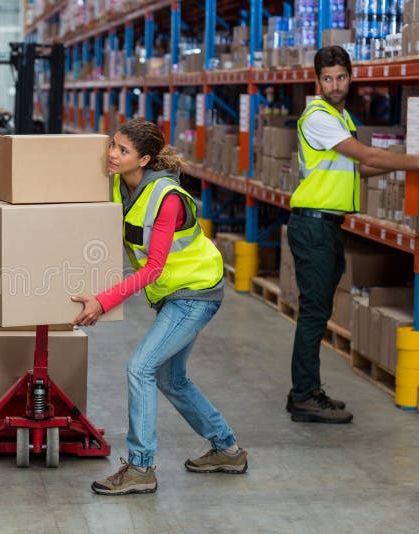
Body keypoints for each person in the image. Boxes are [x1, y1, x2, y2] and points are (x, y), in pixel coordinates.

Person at [72, 119, 247, 496]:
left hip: (194, 293)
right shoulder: (122, 185)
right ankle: (227, 449)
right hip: (175, 295)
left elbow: (153, 268)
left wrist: (103, 301)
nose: (112, 155)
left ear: (145, 159)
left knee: (140, 367)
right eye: (113, 146)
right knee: (170, 379)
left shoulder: (166, 198)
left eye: (123, 150)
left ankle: (140, 467)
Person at [287, 45, 419, 424]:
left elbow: (358, 169)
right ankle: (303, 396)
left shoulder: (341, 116)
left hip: (328, 225)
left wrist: (399, 164)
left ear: (351, 78)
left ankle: (307, 390)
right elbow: (365, 157)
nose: (335, 84)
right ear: (317, 81)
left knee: (318, 311)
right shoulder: (318, 116)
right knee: (314, 312)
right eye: (328, 78)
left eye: (341, 77)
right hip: (313, 224)